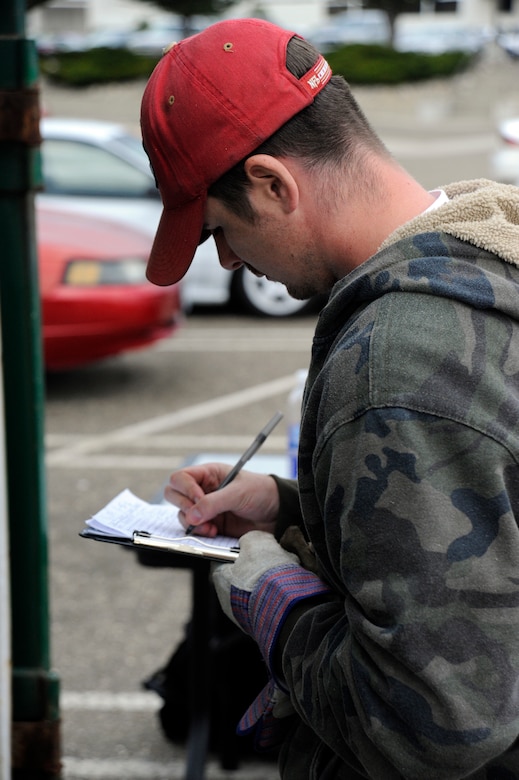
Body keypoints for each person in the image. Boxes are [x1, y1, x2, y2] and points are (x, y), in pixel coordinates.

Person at [140, 17, 519, 779]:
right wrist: (292, 506)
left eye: (219, 230)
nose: (230, 261)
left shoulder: (395, 366)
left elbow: (431, 726)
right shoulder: (488, 244)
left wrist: (276, 604)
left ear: (271, 184)